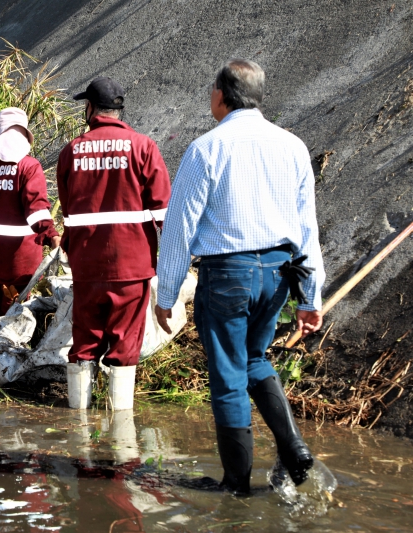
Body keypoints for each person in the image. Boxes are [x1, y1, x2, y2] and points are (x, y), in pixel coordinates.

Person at [155, 59, 325, 493]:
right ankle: (294, 447)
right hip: (279, 272)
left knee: (229, 374)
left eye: (212, 88)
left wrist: (166, 293)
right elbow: (307, 227)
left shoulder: (207, 148)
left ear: (222, 95)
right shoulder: (292, 146)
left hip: (228, 273)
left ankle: (236, 486)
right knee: (254, 358)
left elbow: (179, 228)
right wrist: (310, 296)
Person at [56, 78, 171, 411]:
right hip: (132, 264)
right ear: (119, 110)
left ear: (90, 108)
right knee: (125, 344)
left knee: (85, 339)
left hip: (87, 264)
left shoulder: (72, 151)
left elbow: (69, 212)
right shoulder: (143, 147)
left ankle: (79, 422)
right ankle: (119, 428)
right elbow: (164, 212)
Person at [0, 107, 60, 365]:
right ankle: (8, 369)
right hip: (21, 261)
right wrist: (51, 235)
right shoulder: (29, 167)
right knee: (17, 309)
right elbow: (37, 210)